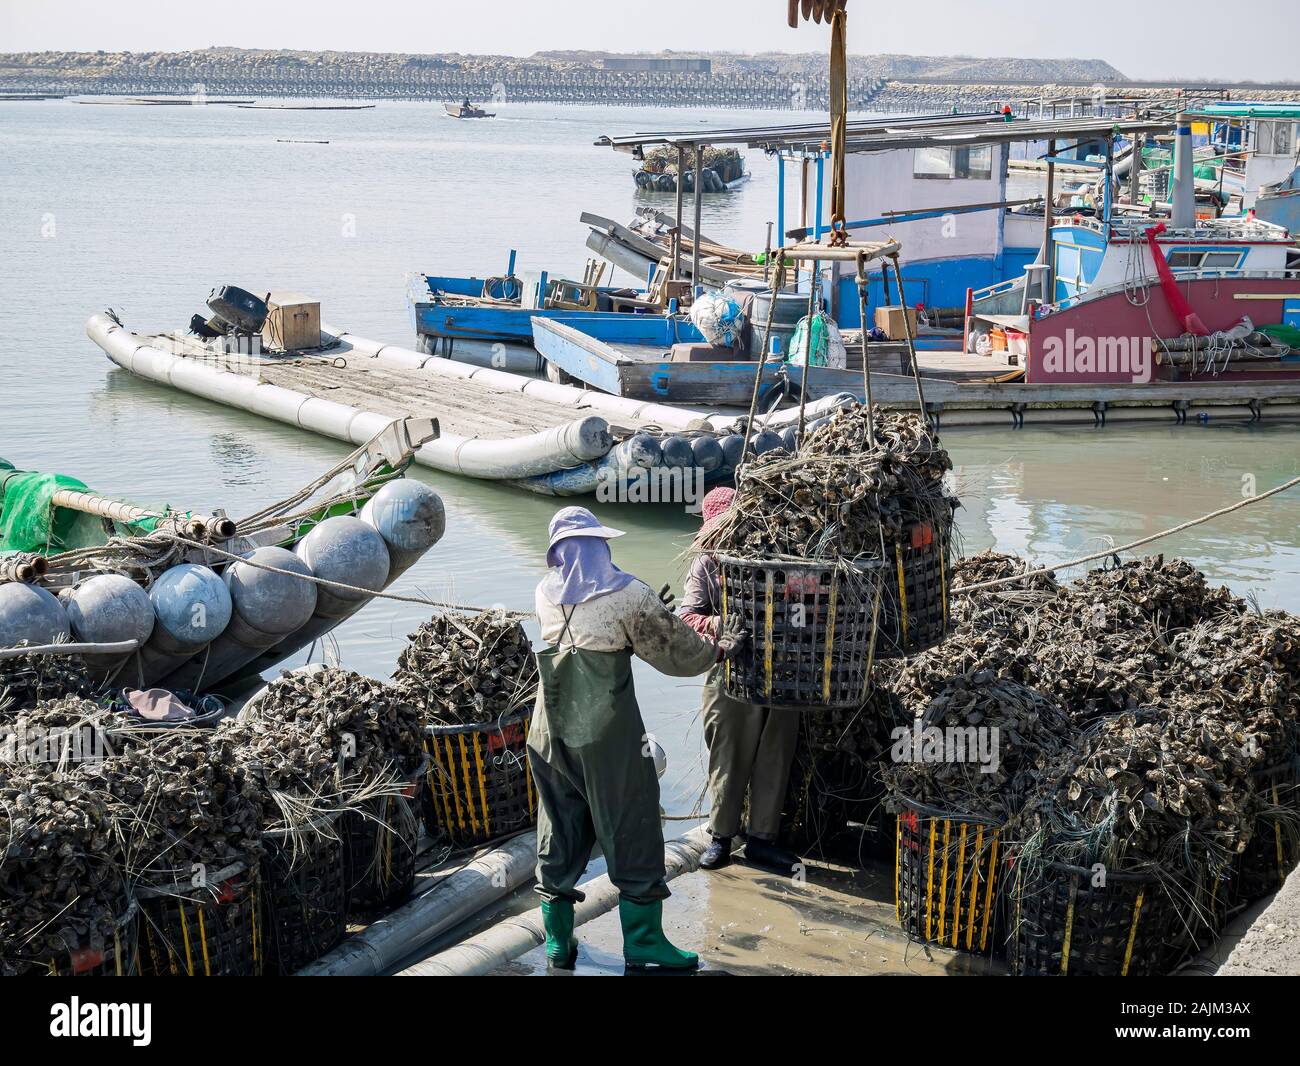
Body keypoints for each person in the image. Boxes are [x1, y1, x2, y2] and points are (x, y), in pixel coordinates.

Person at [528, 505, 744, 973]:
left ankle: (557, 943)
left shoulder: (544, 591)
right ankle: (644, 942)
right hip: (605, 732)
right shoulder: (628, 593)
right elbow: (675, 652)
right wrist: (719, 650)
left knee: (559, 823)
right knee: (632, 817)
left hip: (548, 728)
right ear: (598, 546)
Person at [679, 487, 802, 873]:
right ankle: (720, 837)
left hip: (781, 667)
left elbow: (808, 594)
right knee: (727, 750)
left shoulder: (776, 555)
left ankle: (762, 840)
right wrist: (718, 623)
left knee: (775, 749)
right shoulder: (706, 564)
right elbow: (687, 616)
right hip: (728, 666)